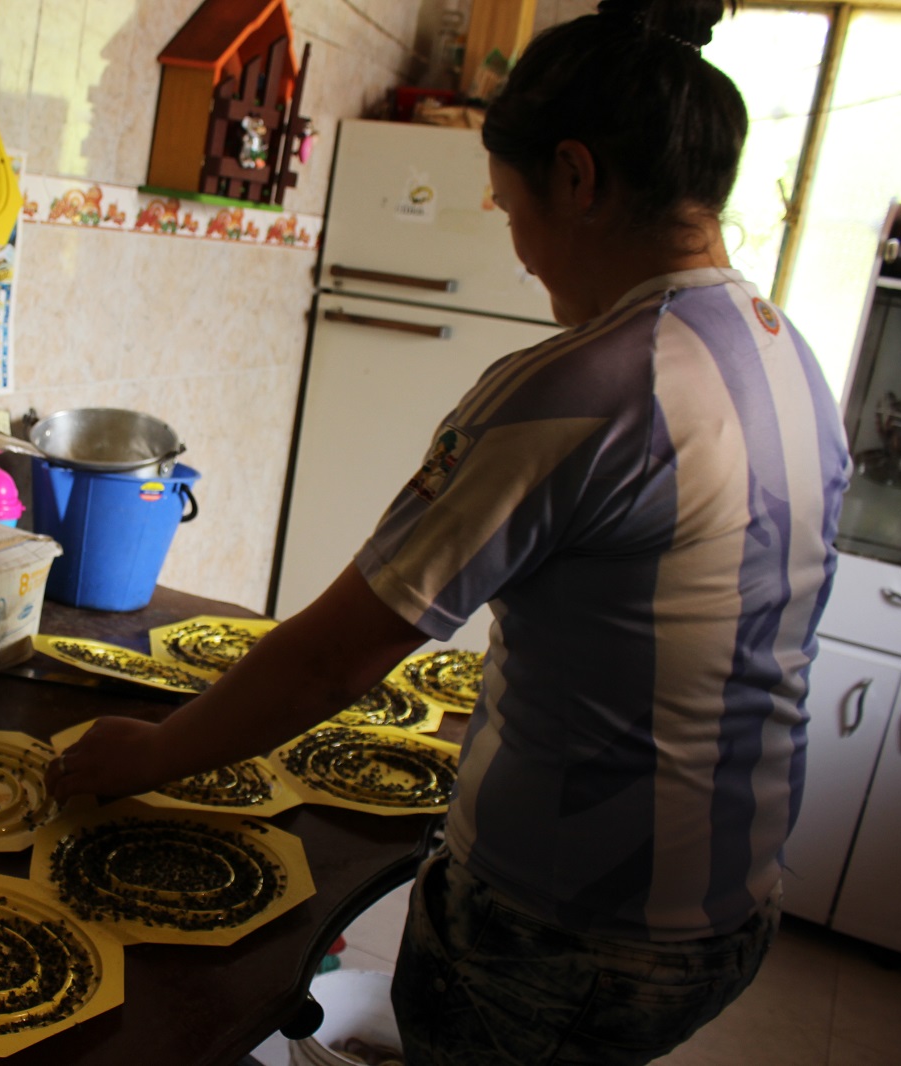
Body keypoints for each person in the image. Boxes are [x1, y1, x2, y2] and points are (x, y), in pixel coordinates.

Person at [49, 0, 852, 1061]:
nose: (519, 251)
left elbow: (337, 656)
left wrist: (151, 751)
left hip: (565, 929)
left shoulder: (584, 386)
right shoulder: (786, 352)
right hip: (727, 907)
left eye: (510, 207)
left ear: (576, 177)